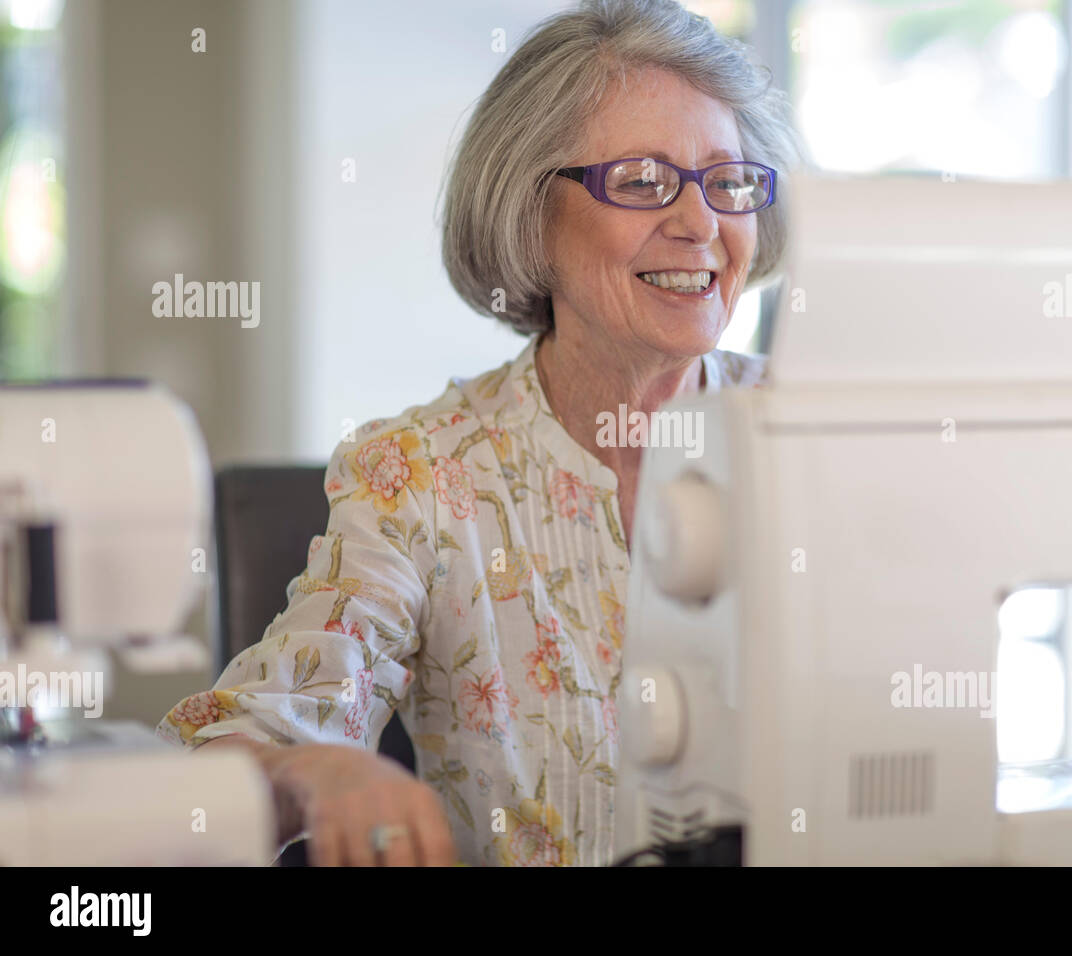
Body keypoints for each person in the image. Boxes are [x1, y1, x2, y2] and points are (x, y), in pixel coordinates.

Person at [157, 0, 802, 866]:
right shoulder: (423, 477)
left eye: (727, 181)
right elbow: (219, 757)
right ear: (530, 212)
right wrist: (313, 772)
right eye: (643, 179)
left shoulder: (819, 433)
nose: (700, 224)